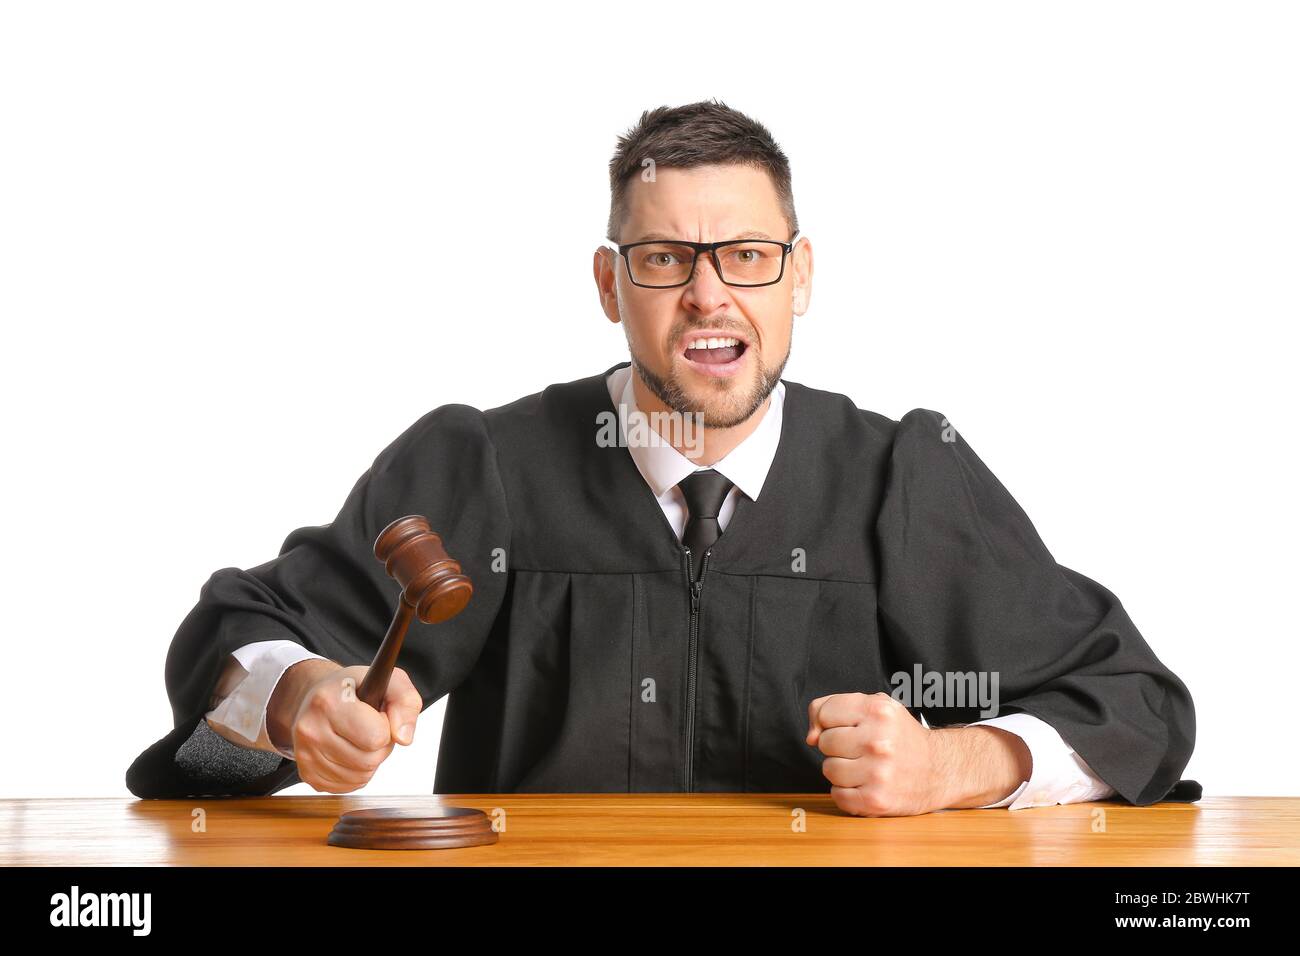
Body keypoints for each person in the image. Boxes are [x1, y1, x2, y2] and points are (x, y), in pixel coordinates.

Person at [126, 100, 1198, 816]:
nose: (707, 292)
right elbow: (241, 638)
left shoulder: (896, 478)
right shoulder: (490, 466)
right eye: (662, 258)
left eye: (744, 254)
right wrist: (299, 696)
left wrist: (957, 764)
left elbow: (1133, 703)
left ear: (800, 274)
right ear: (607, 284)